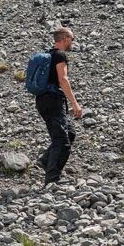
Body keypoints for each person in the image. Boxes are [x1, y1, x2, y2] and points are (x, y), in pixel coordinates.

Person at [27, 26, 84, 184]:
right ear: (65, 38)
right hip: (53, 100)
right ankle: (52, 179)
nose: (73, 42)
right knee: (62, 141)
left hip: (42, 101)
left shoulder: (49, 54)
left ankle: (45, 160)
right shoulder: (59, 55)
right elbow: (63, 79)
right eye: (72, 38)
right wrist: (75, 103)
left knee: (70, 133)